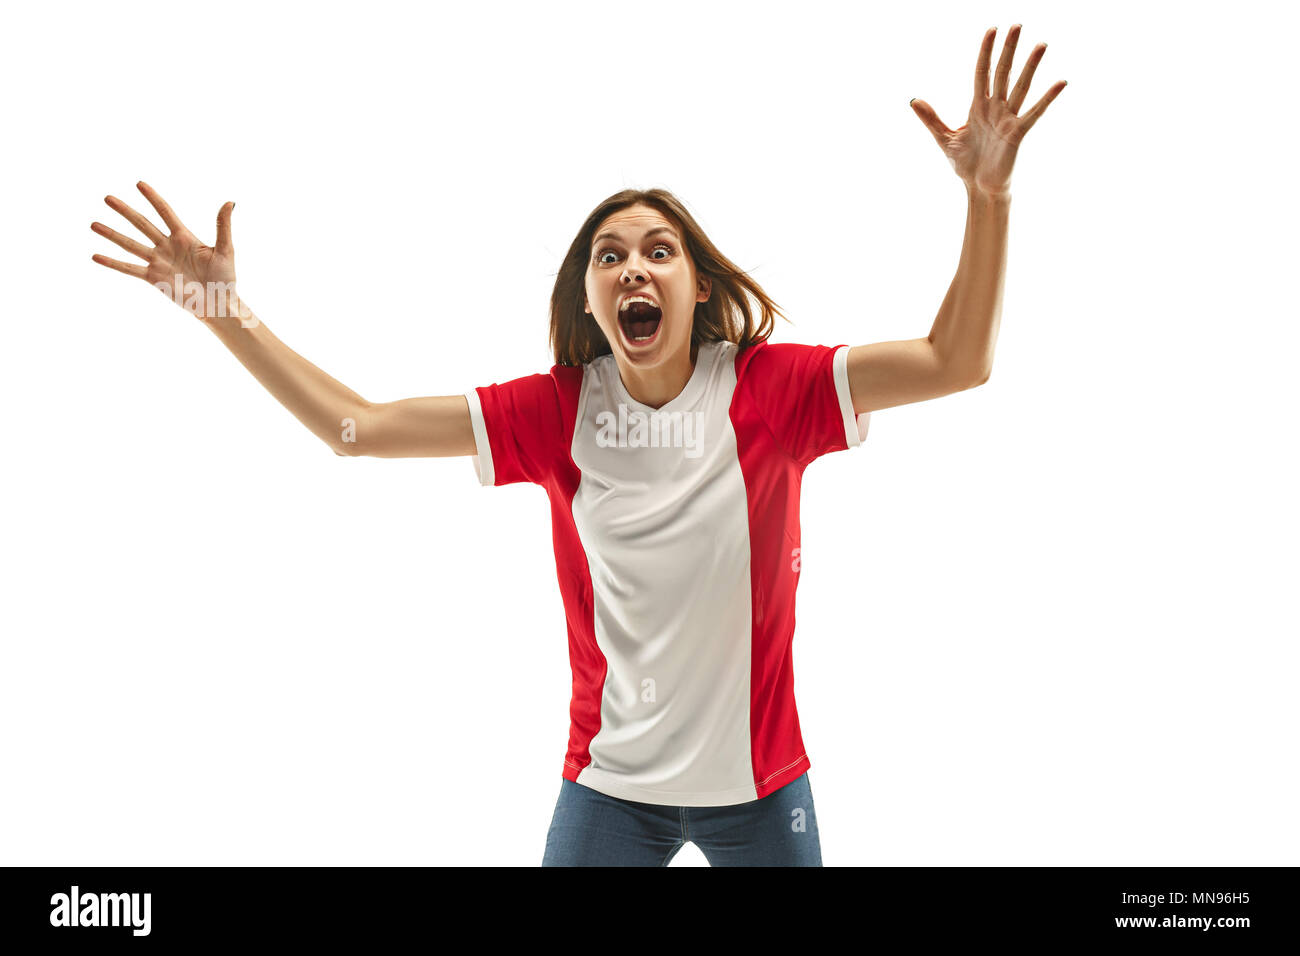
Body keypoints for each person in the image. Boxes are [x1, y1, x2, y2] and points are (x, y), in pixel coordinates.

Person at [90, 24, 1064, 866]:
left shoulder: (776, 389)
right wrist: (220, 308)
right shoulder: (556, 412)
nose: (632, 265)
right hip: (609, 791)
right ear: (590, 300)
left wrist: (988, 198)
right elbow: (359, 428)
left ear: (696, 288)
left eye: (657, 249)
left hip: (764, 784)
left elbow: (956, 360)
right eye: (609, 256)